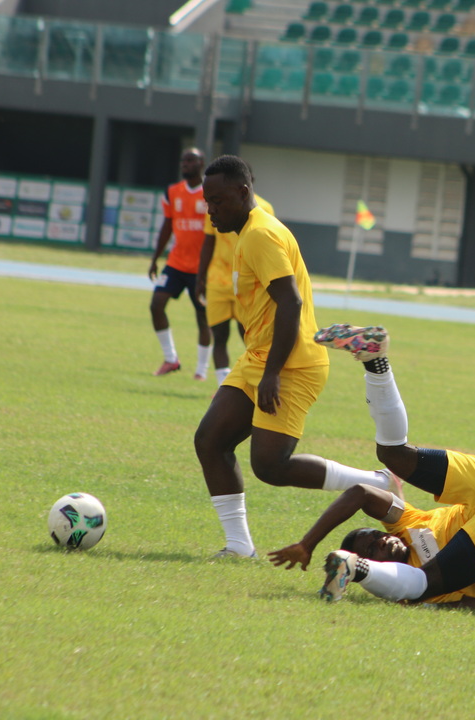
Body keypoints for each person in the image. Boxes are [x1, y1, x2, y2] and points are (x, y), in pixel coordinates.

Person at [193, 155, 398, 558]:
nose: (210, 209)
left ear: (243, 192)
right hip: (260, 358)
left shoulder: (260, 235)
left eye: (217, 200)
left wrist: (271, 373)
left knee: (270, 466)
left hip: (291, 365)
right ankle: (238, 546)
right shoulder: (246, 233)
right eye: (207, 201)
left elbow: (291, 304)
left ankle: (380, 481)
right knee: (210, 440)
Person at [269, 324, 475, 614]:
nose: (384, 540)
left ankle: (374, 358)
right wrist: (429, 604)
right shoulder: (415, 584)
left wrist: (307, 543)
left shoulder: (407, 529)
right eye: (373, 549)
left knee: (393, 454)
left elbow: (361, 493)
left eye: (377, 536)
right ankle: (353, 568)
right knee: (420, 586)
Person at [196, 165, 276, 387]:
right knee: (219, 336)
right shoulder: (215, 206)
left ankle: (256, 379)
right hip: (218, 281)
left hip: (247, 284)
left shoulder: (264, 209)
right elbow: (208, 241)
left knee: (250, 337)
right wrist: (200, 276)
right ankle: (223, 385)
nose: (212, 208)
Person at [148, 148, 213, 379]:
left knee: (203, 317)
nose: (185, 164)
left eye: (190, 161)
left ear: (201, 163)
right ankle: (171, 359)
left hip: (201, 268)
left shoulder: (211, 192)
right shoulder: (172, 191)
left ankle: (201, 371)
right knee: (156, 305)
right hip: (175, 263)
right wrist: (156, 259)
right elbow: (167, 226)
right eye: (183, 161)